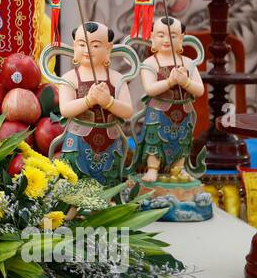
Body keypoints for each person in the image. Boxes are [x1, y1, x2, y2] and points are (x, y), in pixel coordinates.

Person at [54, 21, 134, 185]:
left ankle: (109, 204)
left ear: (109, 49)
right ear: (74, 46)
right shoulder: (69, 78)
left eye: (95, 45)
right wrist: (89, 100)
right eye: (82, 44)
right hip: (78, 140)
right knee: (76, 183)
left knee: (108, 183)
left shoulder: (116, 78)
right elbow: (65, 109)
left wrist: (109, 102)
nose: (87, 50)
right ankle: (75, 209)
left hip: (110, 139)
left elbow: (128, 112)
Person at [135, 16, 205, 181]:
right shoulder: (150, 63)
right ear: (152, 37)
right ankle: (152, 168)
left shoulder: (188, 63)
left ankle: (178, 168)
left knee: (182, 141)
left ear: (181, 39)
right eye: (161, 35)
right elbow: (150, 89)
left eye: (172, 36)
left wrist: (185, 82)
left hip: (183, 111)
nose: (166, 39)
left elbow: (200, 90)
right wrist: (170, 81)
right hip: (158, 112)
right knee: (155, 140)